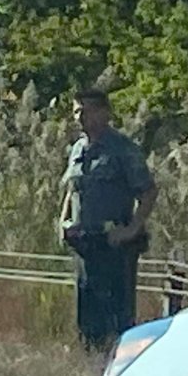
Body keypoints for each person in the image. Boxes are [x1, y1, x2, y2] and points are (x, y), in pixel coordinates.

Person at [58, 87, 158, 351]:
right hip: (85, 245)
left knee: (116, 320)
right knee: (87, 318)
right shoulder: (78, 149)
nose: (81, 117)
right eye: (77, 111)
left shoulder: (122, 149)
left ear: (104, 113)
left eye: (87, 110)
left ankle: (118, 368)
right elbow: (73, 188)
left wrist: (131, 229)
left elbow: (148, 192)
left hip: (114, 246)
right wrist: (64, 221)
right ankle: (90, 366)